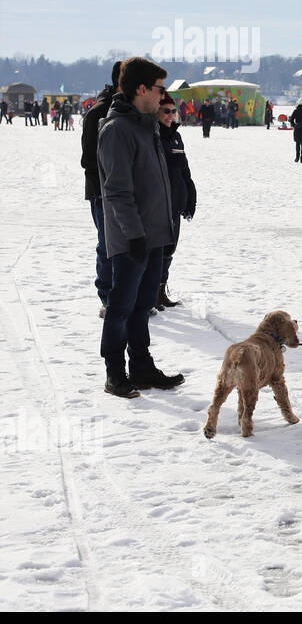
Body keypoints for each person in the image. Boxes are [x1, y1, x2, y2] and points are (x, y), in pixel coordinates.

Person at [97, 57, 185, 398]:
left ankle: (142, 366)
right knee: (121, 307)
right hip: (131, 238)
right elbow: (117, 191)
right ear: (142, 89)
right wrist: (133, 234)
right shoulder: (117, 129)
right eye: (160, 88)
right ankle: (115, 373)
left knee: (142, 305)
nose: (164, 96)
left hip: (153, 235)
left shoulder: (147, 125)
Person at [81, 61, 122, 317]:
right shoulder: (100, 111)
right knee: (107, 246)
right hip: (102, 192)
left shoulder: (132, 109)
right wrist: (105, 189)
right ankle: (108, 299)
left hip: (127, 192)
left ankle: (127, 296)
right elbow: (88, 159)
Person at [156, 93, 196, 310]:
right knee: (159, 250)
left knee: (170, 249)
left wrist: (191, 194)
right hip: (160, 203)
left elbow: (184, 169)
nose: (171, 115)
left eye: (173, 111)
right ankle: (152, 292)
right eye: (166, 111)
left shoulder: (176, 136)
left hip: (176, 201)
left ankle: (161, 290)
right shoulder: (154, 135)